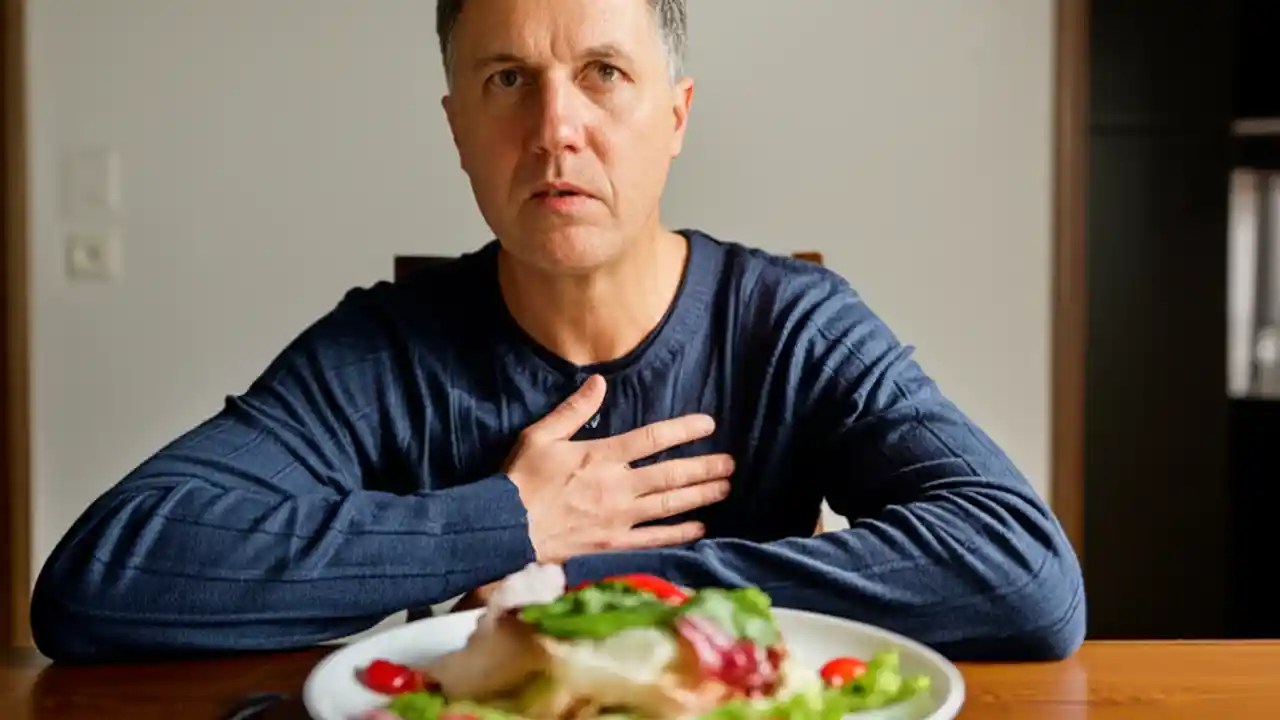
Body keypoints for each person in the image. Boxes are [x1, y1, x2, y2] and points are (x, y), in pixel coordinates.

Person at [30, 0, 1085, 664]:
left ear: (673, 116)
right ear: (457, 129)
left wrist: (583, 586)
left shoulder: (791, 324)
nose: (553, 130)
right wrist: (503, 523)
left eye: (601, 73)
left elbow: (1020, 577)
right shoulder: (382, 350)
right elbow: (100, 582)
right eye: (506, 81)